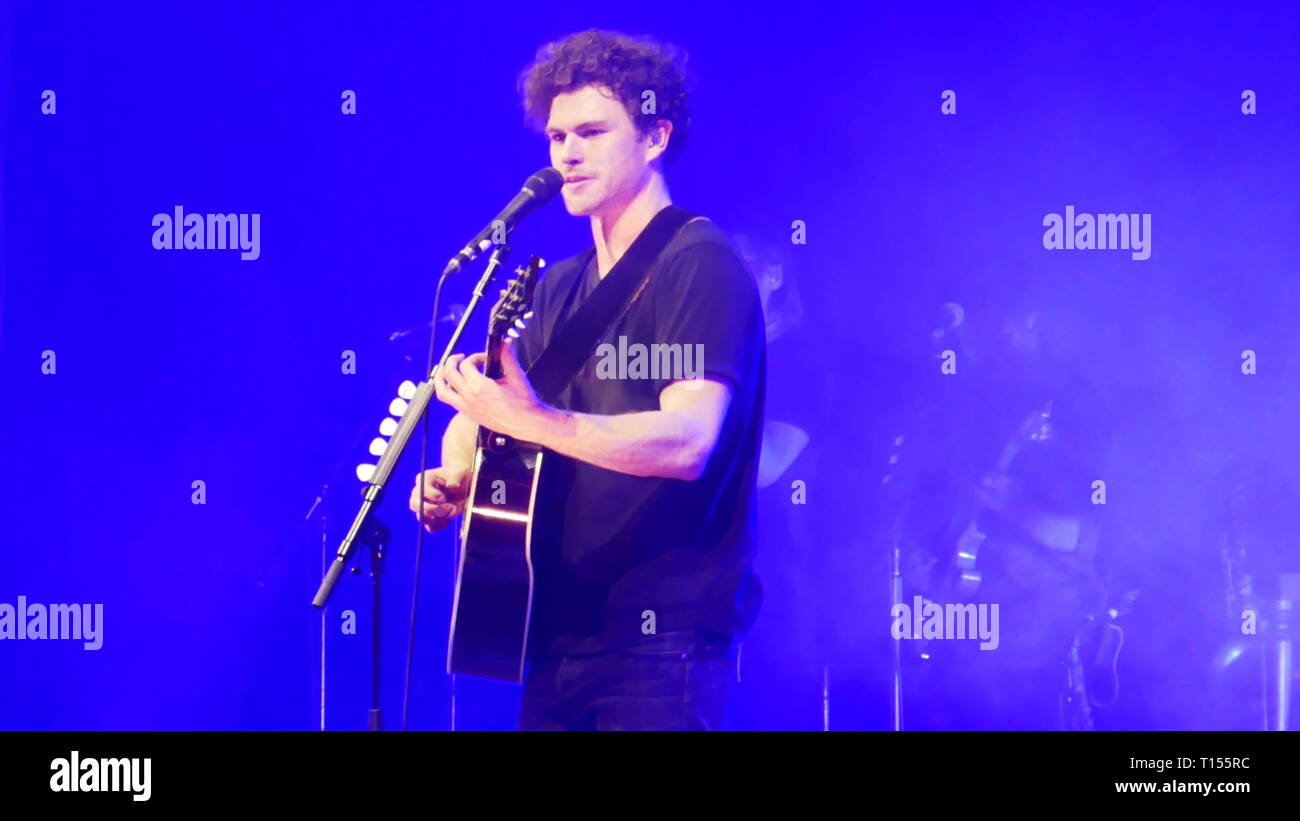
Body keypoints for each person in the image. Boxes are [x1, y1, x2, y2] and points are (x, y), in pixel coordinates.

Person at [407, 29, 766, 730]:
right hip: (556, 633)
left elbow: (688, 440)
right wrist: (457, 474)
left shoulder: (698, 261)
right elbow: (485, 411)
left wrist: (530, 421)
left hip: (662, 644)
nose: (566, 154)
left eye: (592, 132)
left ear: (655, 136)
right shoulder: (561, 285)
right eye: (556, 136)